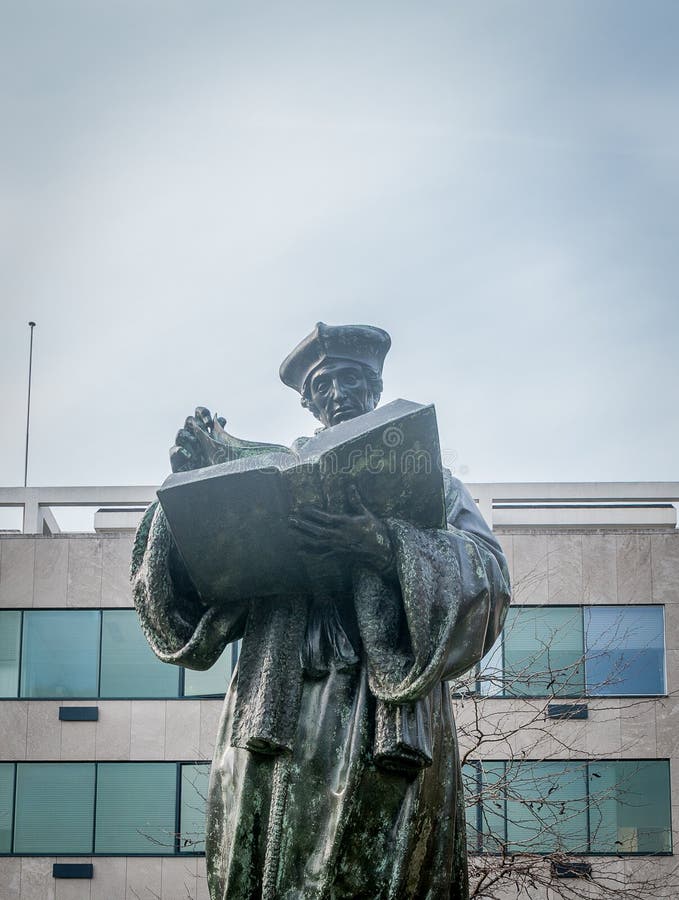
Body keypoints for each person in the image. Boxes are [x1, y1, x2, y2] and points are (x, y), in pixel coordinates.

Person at [132, 322, 510, 900]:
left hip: (380, 704)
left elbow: (489, 579)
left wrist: (384, 544)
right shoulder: (271, 479)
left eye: (352, 379)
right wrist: (187, 489)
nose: (339, 394)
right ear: (309, 401)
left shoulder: (431, 483)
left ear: (375, 389)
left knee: (375, 857)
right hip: (277, 702)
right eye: (324, 385)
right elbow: (180, 598)